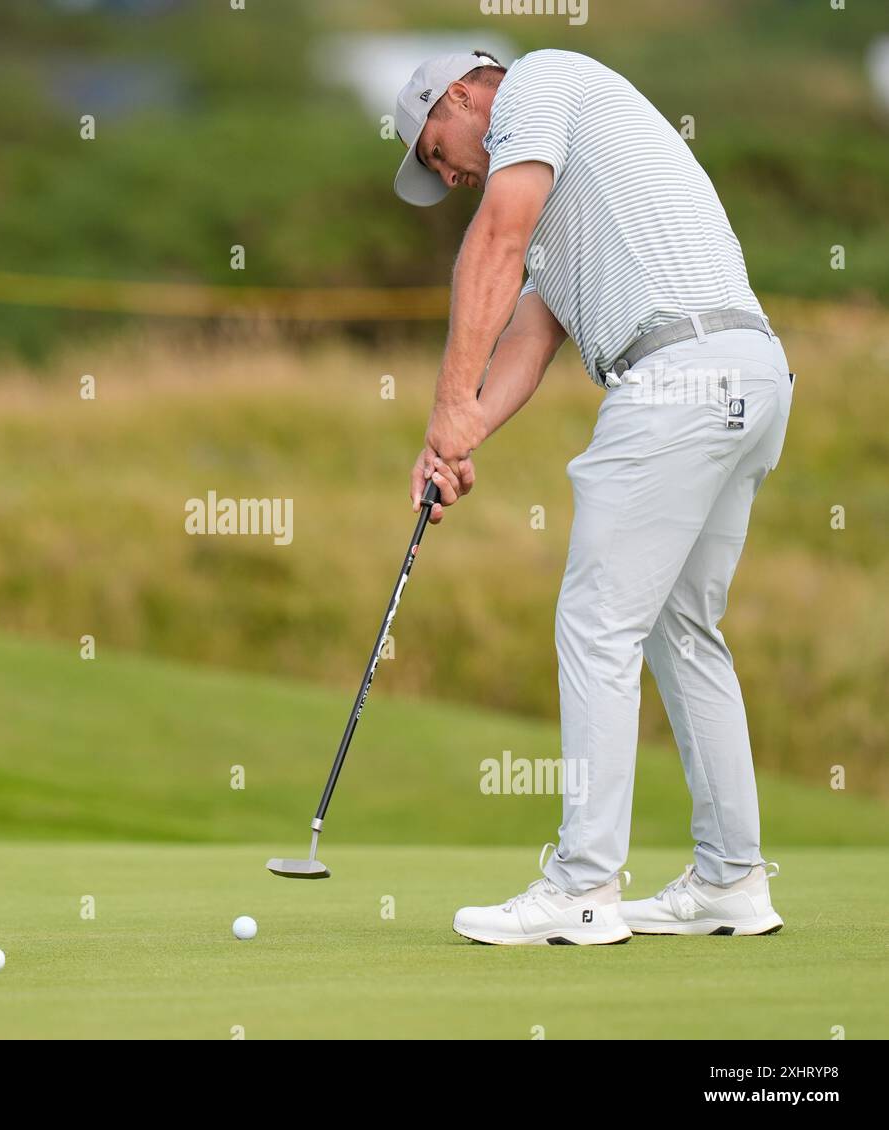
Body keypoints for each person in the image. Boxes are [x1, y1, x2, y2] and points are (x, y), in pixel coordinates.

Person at [392, 48, 792, 944]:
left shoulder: (538, 84)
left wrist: (449, 403)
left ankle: (582, 885)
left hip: (677, 381)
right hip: (748, 376)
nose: (449, 176)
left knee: (596, 622)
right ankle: (732, 879)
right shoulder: (570, 196)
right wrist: (454, 443)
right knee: (682, 629)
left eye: (436, 151)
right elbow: (529, 338)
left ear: (463, 95)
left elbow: (492, 239)